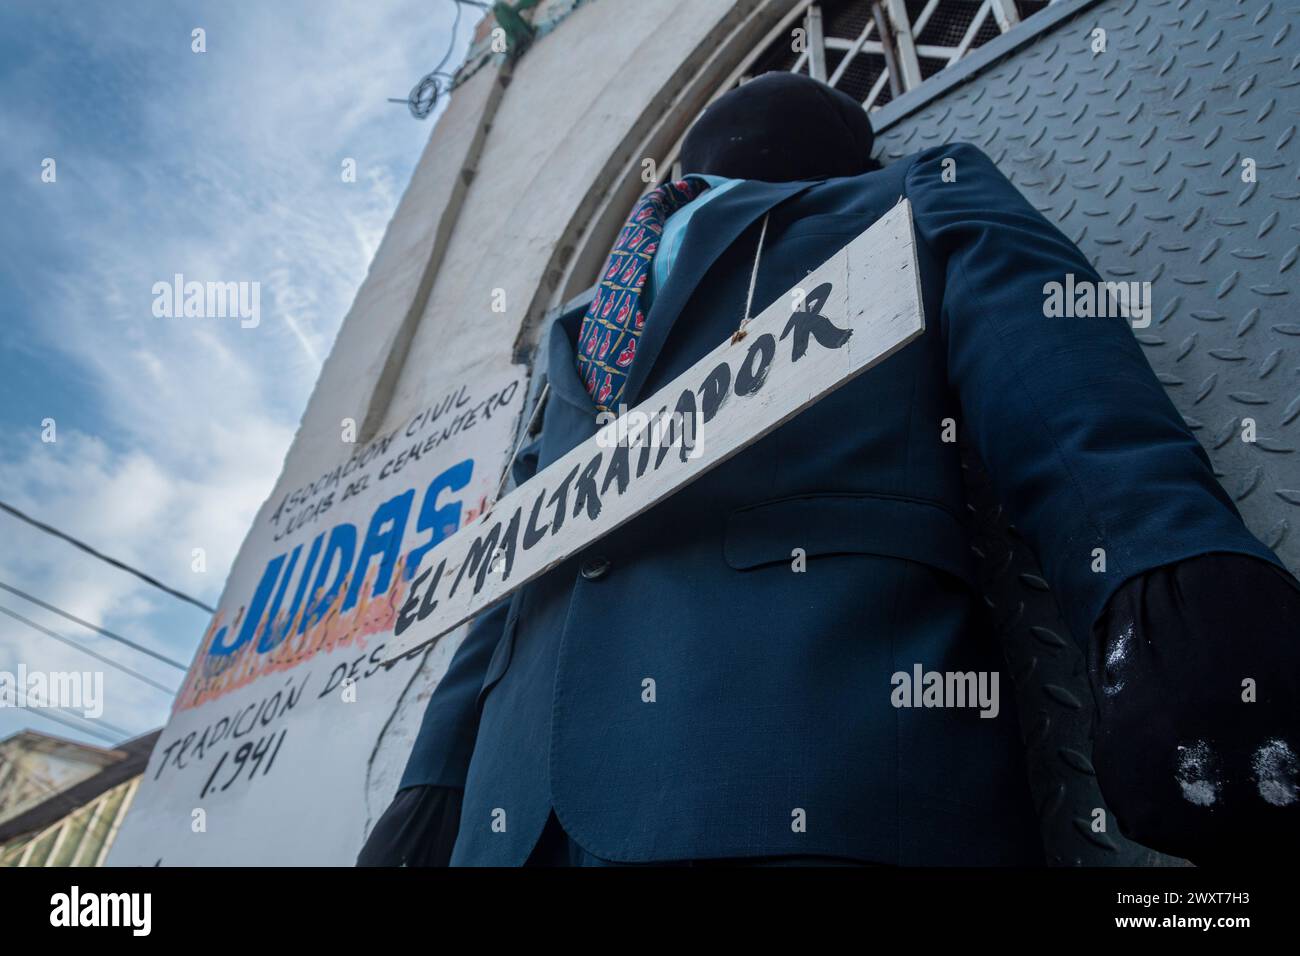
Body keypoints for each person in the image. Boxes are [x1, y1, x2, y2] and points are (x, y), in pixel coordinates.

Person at [359, 72, 1300, 867]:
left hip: (804, 757)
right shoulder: (574, 332)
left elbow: (1049, 364)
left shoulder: (906, 196)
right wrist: (434, 783)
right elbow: (517, 562)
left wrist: (1159, 570)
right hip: (512, 823)